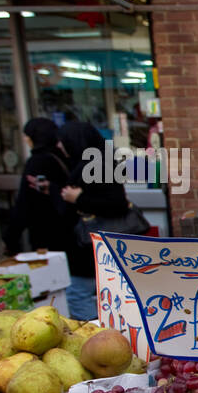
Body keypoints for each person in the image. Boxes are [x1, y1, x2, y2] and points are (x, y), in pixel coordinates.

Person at [57, 120, 130, 321]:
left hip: (91, 248)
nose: (59, 146)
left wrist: (78, 199)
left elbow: (116, 202)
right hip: (94, 248)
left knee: (80, 297)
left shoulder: (96, 166)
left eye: (63, 141)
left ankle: (100, 338)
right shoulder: (96, 162)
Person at [3, 118, 70, 257]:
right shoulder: (65, 156)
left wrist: (10, 237)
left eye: (27, 135)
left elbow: (25, 202)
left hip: (46, 230)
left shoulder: (37, 162)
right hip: (69, 228)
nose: (25, 139)